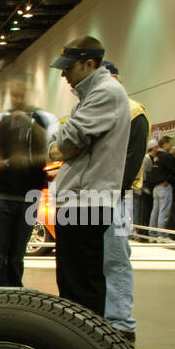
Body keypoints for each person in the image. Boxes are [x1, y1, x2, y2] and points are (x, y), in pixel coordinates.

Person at [46, 37, 130, 319]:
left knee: (81, 287)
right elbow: (62, 145)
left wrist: (62, 146)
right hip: (79, 200)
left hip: (87, 201)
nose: (64, 74)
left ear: (89, 64)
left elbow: (66, 142)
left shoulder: (105, 92)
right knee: (72, 283)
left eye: (69, 67)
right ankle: (78, 345)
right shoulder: (90, 96)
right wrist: (62, 145)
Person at [0, 79, 54, 286]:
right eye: (13, 95)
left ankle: (13, 298)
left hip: (28, 196)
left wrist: (30, 128)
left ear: (30, 94)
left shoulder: (44, 120)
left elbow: (54, 152)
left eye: (21, 94)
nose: (17, 99)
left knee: (17, 256)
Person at [97, 60, 148, 341]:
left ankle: (120, 322)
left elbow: (132, 158)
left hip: (114, 197)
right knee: (97, 258)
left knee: (114, 257)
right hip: (92, 197)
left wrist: (113, 192)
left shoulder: (132, 111)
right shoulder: (97, 110)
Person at [147, 135, 175, 240]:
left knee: (155, 211)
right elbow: (173, 171)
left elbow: (152, 172)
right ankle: (162, 234)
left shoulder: (156, 157)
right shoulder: (167, 157)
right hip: (164, 187)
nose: (171, 146)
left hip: (156, 187)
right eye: (170, 144)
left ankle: (152, 234)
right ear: (165, 144)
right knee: (163, 211)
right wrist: (168, 180)